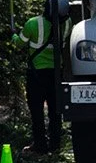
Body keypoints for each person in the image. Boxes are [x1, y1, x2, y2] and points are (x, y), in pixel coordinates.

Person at [17, 11, 63, 155]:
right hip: (56, 73)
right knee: (55, 111)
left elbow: (19, 43)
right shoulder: (66, 23)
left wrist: (13, 35)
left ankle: (40, 145)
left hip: (37, 74)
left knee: (36, 111)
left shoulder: (33, 23)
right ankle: (55, 145)